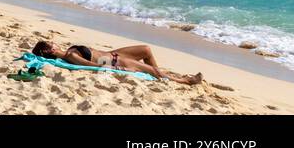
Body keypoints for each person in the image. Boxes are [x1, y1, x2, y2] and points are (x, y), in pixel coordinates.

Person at [31, 40, 203, 85]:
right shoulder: (69, 56)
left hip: (115, 54)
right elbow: (90, 65)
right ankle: (185, 81)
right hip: (115, 61)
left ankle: (157, 74)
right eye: (50, 43)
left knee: (146, 50)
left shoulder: (69, 51)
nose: (53, 42)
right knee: (150, 68)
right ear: (48, 50)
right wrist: (114, 67)